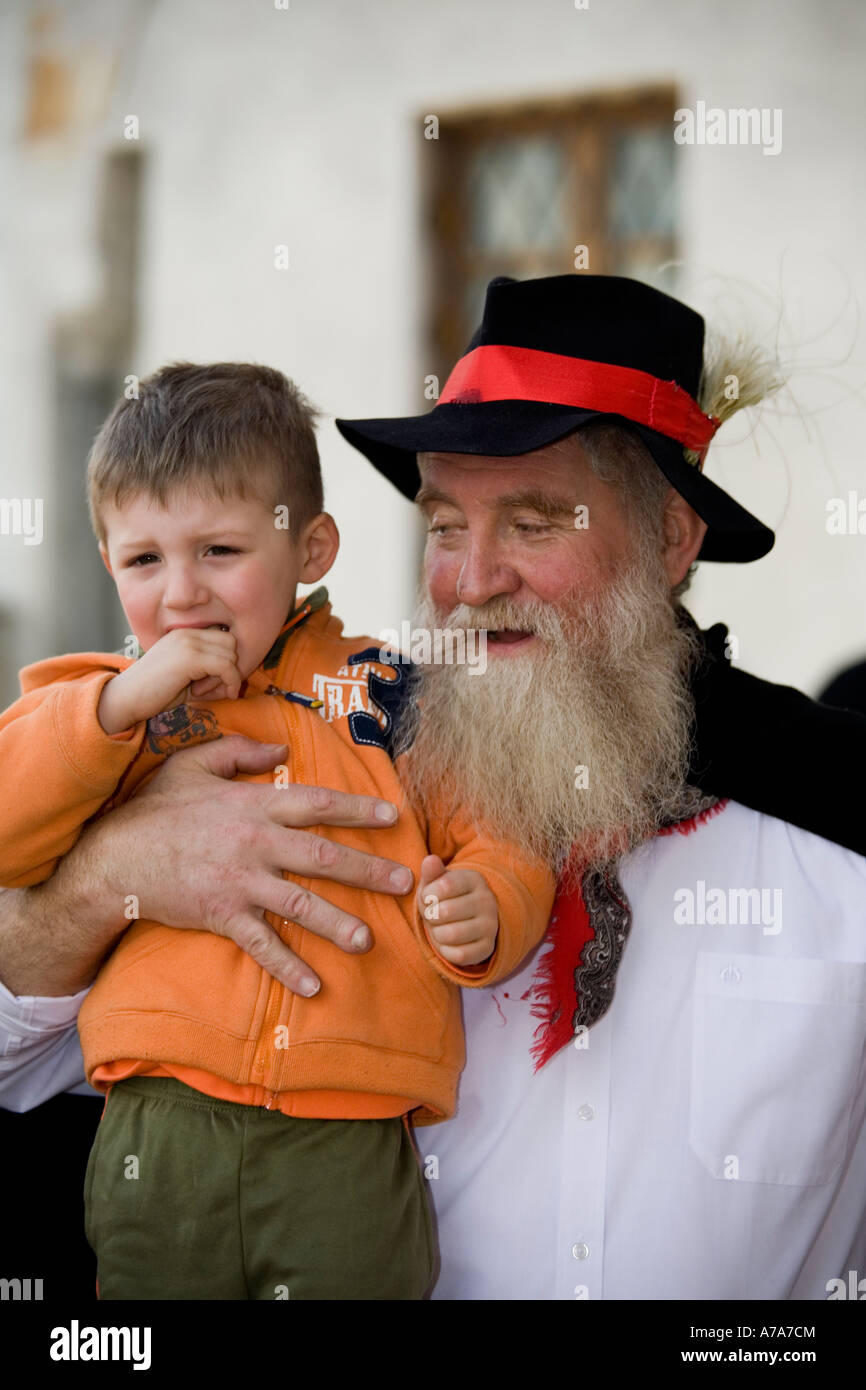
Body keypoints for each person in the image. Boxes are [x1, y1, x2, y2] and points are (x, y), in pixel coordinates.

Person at [2, 272, 865, 1301]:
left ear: (672, 538)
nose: (470, 578)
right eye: (447, 526)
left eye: (535, 523)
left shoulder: (838, 818)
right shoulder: (323, 754)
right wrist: (114, 878)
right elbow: (15, 1072)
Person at [0, 361, 554, 1300]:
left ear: (313, 547)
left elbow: (496, 830)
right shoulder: (105, 710)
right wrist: (114, 708)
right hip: (158, 1119)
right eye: (143, 560)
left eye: (219, 551)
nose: (180, 594)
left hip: (352, 1119)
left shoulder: (396, 694)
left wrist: (492, 903)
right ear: (108, 565)